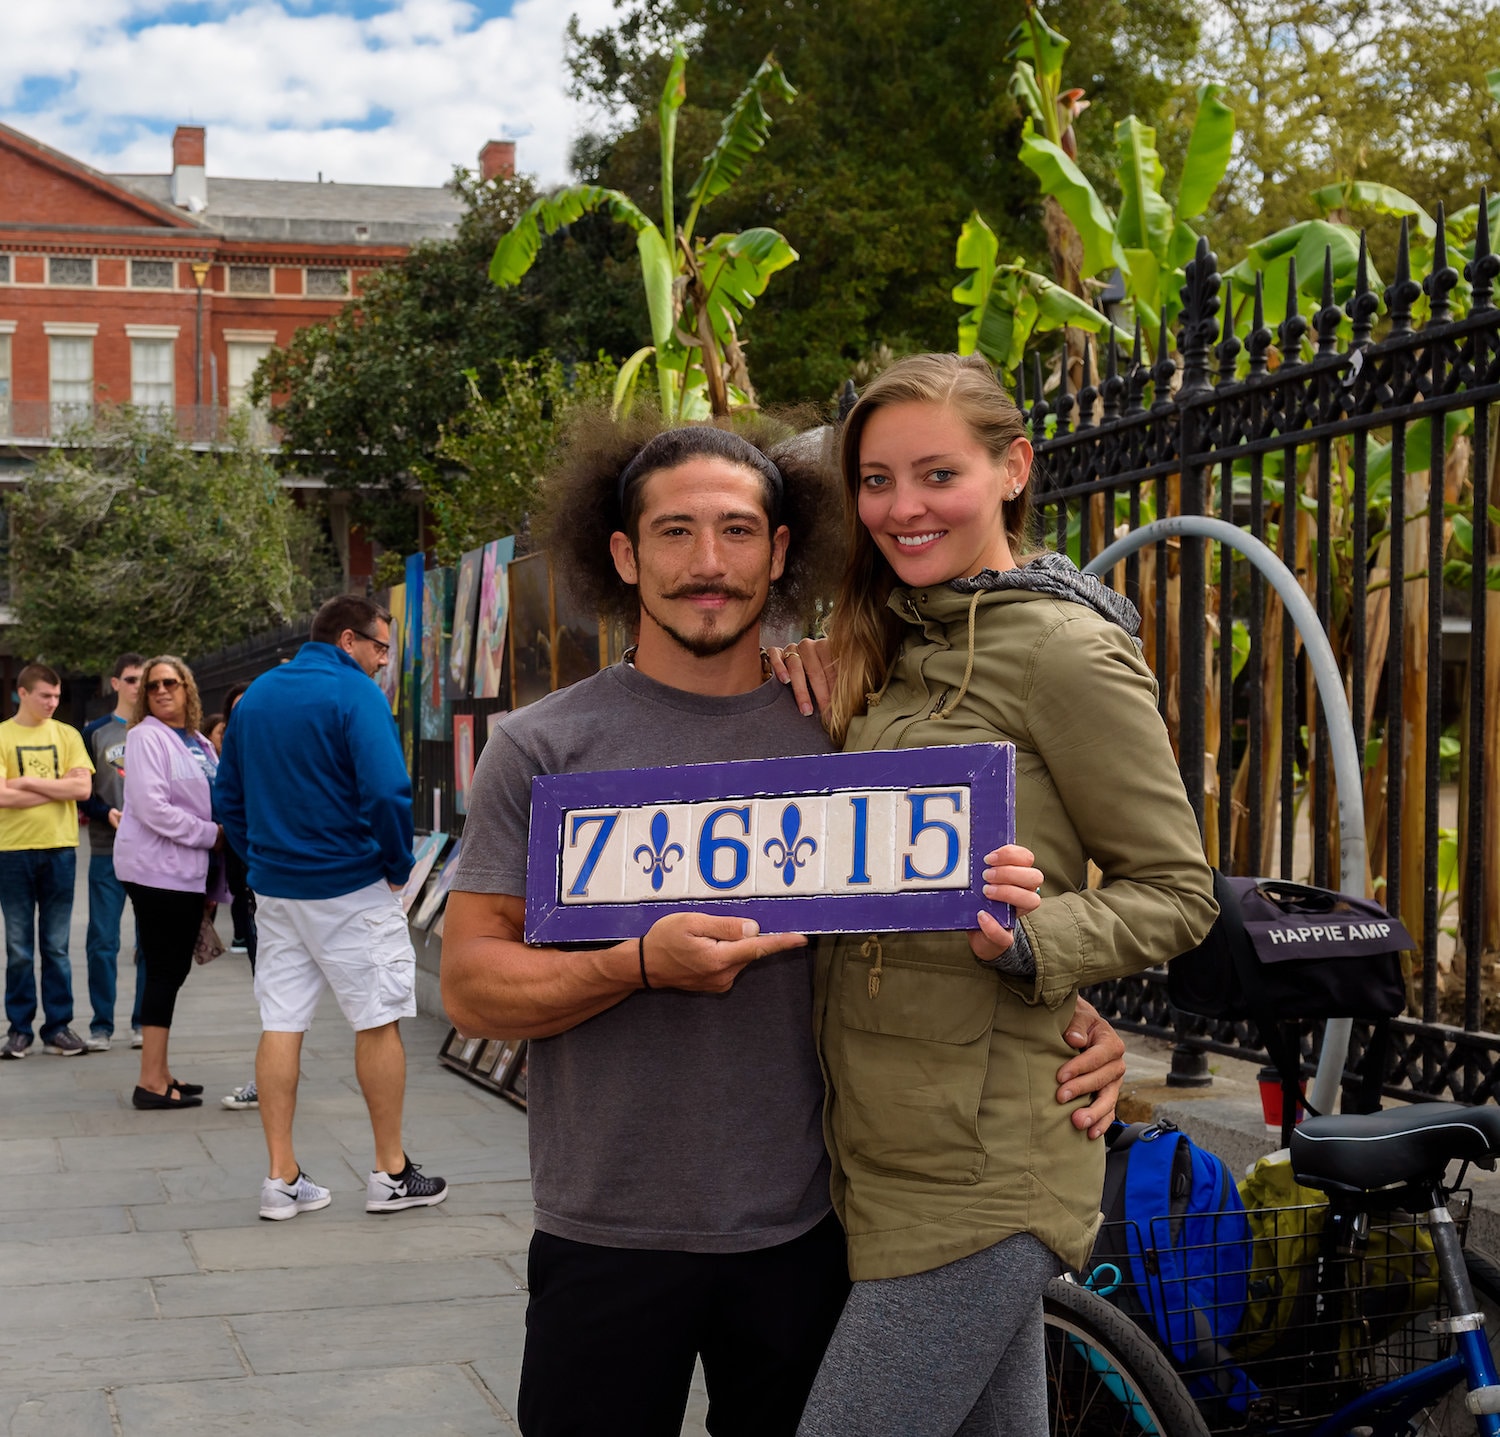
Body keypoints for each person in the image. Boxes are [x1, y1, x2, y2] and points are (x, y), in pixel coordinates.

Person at [440, 416, 1126, 1437]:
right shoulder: (543, 749)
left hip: (817, 1231)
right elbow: (471, 984)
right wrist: (635, 965)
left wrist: (1066, 1005)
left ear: (782, 550)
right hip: (605, 1232)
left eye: (737, 531)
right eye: (674, 533)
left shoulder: (851, 721)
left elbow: (966, 920)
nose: (707, 565)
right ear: (624, 555)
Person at [772, 353, 1217, 1437]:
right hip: (877, 1148)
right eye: (875, 480)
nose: (901, 507)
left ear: (1013, 468)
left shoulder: (1068, 649)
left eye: (937, 474)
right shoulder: (891, 645)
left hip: (987, 1164)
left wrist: (1033, 943)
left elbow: (1178, 892)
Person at [216, 594, 447, 1221]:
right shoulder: (355, 693)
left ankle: (280, 1177)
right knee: (377, 1020)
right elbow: (387, 789)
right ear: (349, 640)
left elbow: (227, 795)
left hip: (279, 889)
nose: (381, 663)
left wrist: (261, 855)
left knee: (282, 1022)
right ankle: (391, 1172)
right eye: (379, 649)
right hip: (349, 885)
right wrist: (399, 865)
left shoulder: (259, 694)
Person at [114, 656, 225, 1110]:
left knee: (172, 970)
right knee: (164, 970)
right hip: (157, 871)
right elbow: (152, 807)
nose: (161, 690)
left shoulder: (197, 740)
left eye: (170, 683)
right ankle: (150, 1083)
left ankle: (159, 1072)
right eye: (153, 685)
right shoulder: (144, 737)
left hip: (186, 873)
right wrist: (211, 835)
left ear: (187, 689)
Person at [0, 663, 94, 1060]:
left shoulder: (67, 734)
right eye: (45, 696)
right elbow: (1, 798)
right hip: (13, 849)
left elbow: (83, 787)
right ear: (22, 693)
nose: (52, 703)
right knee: (19, 947)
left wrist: (25, 782)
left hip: (60, 847)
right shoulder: (3, 735)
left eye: (56, 696)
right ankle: (19, 1029)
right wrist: (58, 791)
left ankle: (58, 1026)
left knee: (56, 945)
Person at [81, 653, 146, 1052]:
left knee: (149, 942)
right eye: (133, 679)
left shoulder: (162, 731)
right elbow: (81, 791)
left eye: (146, 679)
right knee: (102, 941)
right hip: (107, 849)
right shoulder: (94, 733)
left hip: (151, 854)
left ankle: (142, 1023)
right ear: (115, 683)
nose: (140, 686)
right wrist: (106, 813)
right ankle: (101, 1025)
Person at [219, 679, 262, 1112]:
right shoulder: (235, 758)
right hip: (254, 887)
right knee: (269, 991)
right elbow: (228, 807)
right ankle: (268, 1078)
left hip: (288, 888)